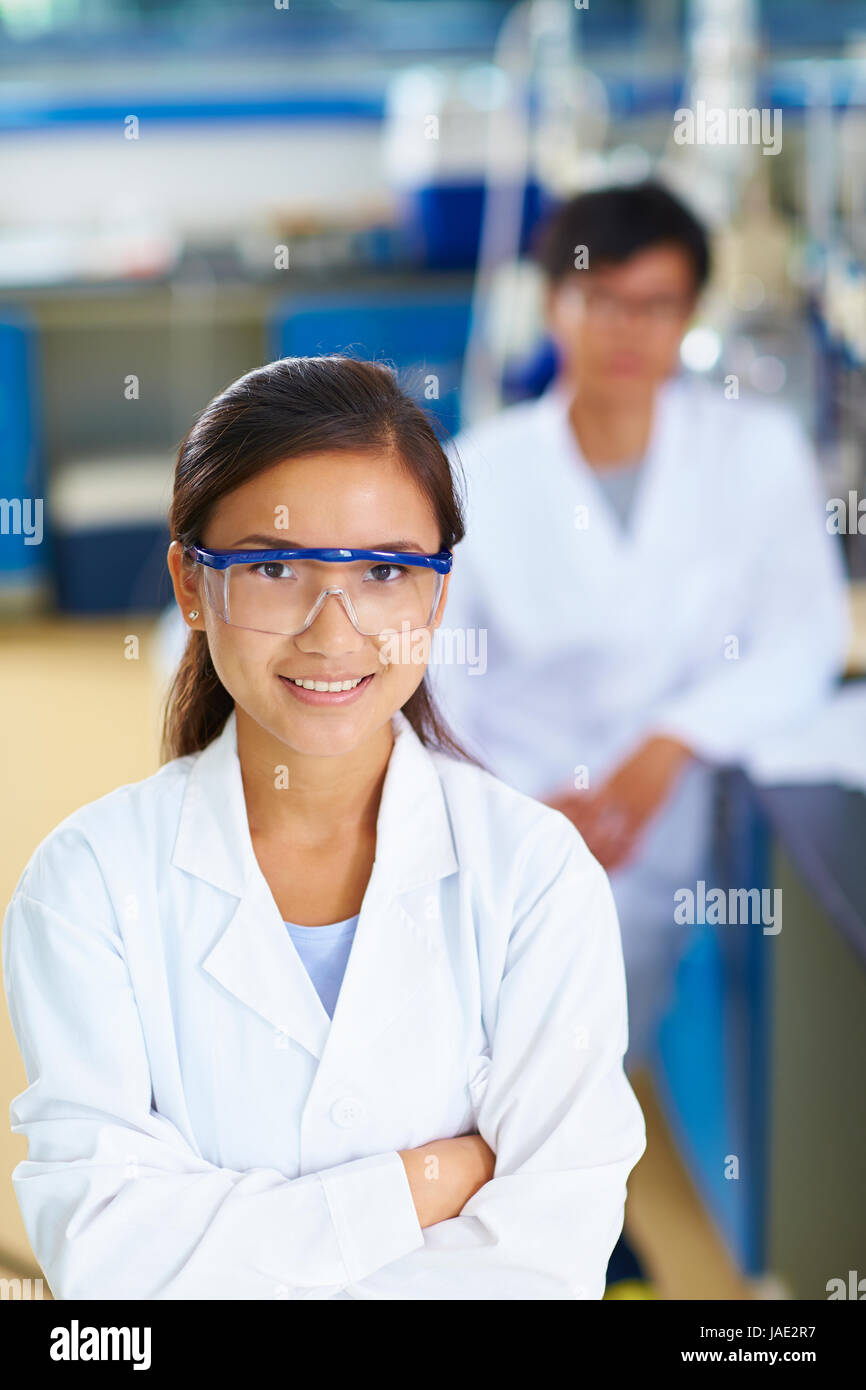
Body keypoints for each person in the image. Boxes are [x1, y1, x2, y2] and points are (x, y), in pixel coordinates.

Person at [2, 355, 645, 1301]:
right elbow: (110, 1263)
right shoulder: (89, 885)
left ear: (437, 592)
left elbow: (546, 1262)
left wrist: (234, 1245)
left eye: (385, 570)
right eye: (272, 566)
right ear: (191, 584)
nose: (333, 631)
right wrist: (419, 1184)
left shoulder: (535, 876)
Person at [429, 181, 850, 1291]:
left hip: (680, 799)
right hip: (519, 793)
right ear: (550, 306)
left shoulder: (749, 450)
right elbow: (439, 669)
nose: (626, 330)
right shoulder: (482, 467)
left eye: (655, 304)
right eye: (598, 299)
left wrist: (664, 747)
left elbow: (802, 634)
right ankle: (533, 1228)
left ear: (689, 314)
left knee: (594, 1009)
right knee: (484, 1010)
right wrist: (530, 797)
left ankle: (557, 1225)